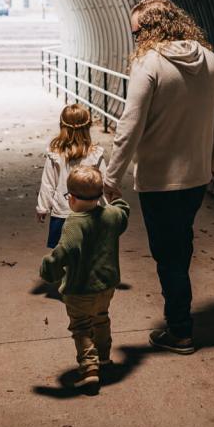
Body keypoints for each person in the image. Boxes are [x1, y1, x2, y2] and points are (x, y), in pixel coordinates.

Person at [103, 0, 214, 355]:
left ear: (148, 29)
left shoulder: (150, 63)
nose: (134, 39)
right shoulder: (210, 59)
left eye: (135, 32)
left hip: (159, 180)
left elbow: (130, 124)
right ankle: (179, 318)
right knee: (182, 246)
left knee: (168, 256)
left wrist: (111, 177)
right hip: (196, 176)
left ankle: (180, 329)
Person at [39, 164, 130, 390]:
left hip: (80, 290)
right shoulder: (111, 215)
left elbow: (63, 252)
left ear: (70, 198)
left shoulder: (74, 223)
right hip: (106, 286)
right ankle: (104, 358)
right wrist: (116, 197)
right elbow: (123, 211)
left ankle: (89, 367)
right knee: (101, 319)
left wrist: (48, 268)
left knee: (81, 327)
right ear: (100, 196)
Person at [36, 103, 107, 249]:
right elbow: (104, 183)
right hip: (91, 213)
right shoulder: (95, 154)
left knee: (63, 254)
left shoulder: (55, 154)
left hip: (62, 213)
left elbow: (48, 183)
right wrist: (110, 207)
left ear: (62, 126)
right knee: (90, 252)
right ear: (88, 127)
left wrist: (43, 207)